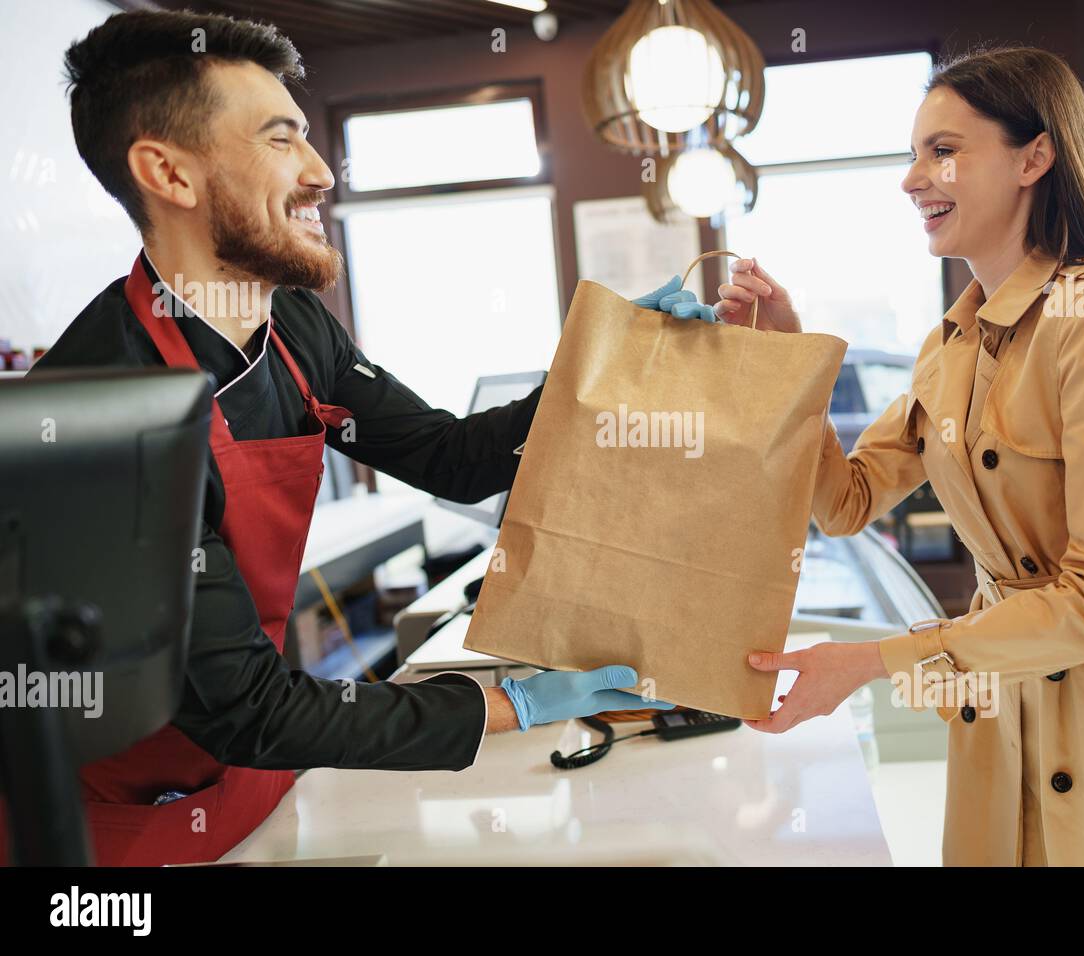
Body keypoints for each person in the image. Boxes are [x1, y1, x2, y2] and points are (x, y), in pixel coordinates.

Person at [14, 10, 691, 867]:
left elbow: (452, 458)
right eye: (280, 138)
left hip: (258, 776)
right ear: (168, 172)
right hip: (125, 820)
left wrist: (605, 366)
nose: (321, 171)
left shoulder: (294, 324)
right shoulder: (102, 412)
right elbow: (251, 709)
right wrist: (512, 704)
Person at [651, 45, 1084, 866]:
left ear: (1035, 156)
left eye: (944, 151)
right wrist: (792, 362)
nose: (912, 178)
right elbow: (844, 502)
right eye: (914, 153)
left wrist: (872, 662)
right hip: (1005, 705)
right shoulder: (949, 345)